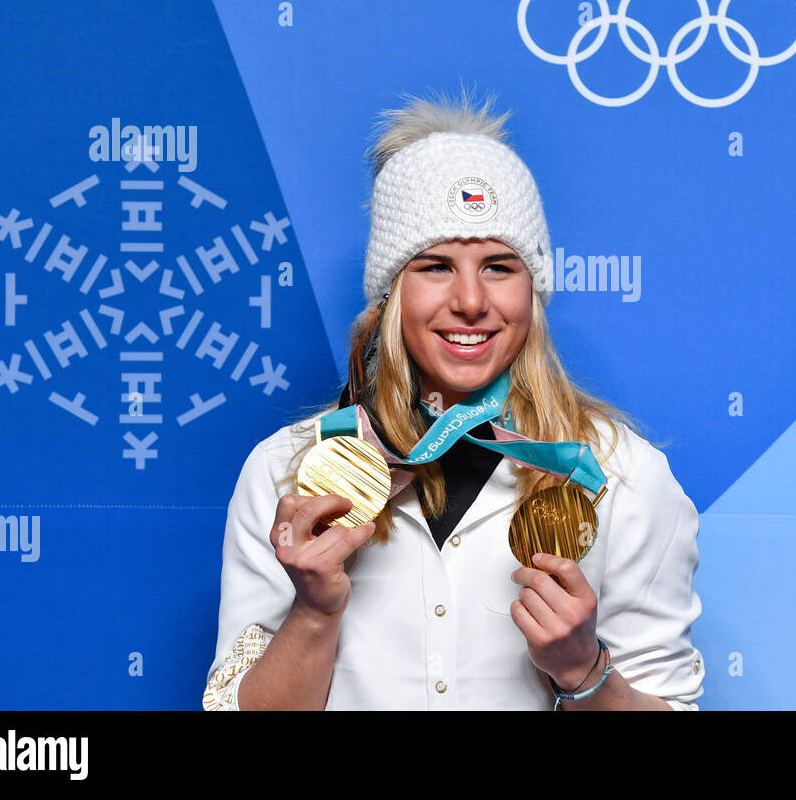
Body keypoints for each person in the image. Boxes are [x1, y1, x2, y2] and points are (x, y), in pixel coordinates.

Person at [203, 88, 704, 710]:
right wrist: (313, 610)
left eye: (499, 266)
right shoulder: (287, 472)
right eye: (436, 265)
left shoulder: (624, 477)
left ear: (533, 291)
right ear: (390, 295)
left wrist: (583, 671)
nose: (470, 300)